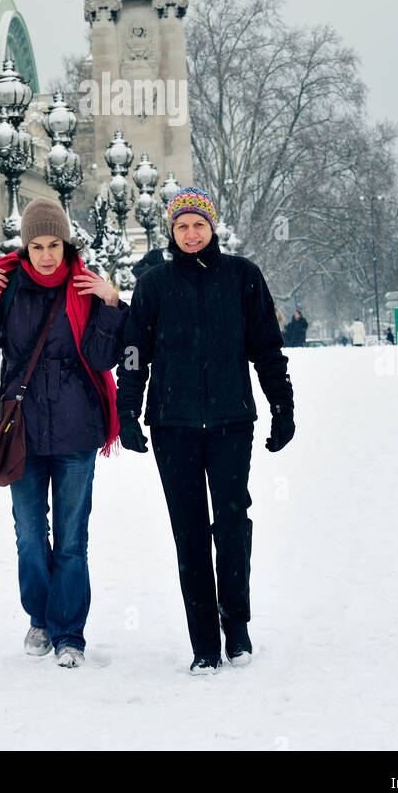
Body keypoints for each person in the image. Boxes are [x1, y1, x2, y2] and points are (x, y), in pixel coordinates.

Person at [0, 198, 129, 669]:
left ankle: (69, 633)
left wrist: (109, 304)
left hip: (76, 428)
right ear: (25, 247)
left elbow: (105, 359)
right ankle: (40, 619)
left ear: (66, 245)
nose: (46, 254)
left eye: (54, 245)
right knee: (29, 534)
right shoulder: (6, 287)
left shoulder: (85, 287)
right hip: (21, 428)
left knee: (71, 539)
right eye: (37, 245)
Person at [115, 187, 295, 675]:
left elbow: (267, 348)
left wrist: (282, 407)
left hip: (231, 422)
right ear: (171, 233)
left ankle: (235, 624)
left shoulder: (243, 278)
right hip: (172, 428)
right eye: (181, 227)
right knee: (189, 532)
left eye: (198, 225)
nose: (190, 234)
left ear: (212, 227)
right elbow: (133, 354)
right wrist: (126, 412)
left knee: (231, 525)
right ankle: (203, 642)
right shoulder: (153, 285)